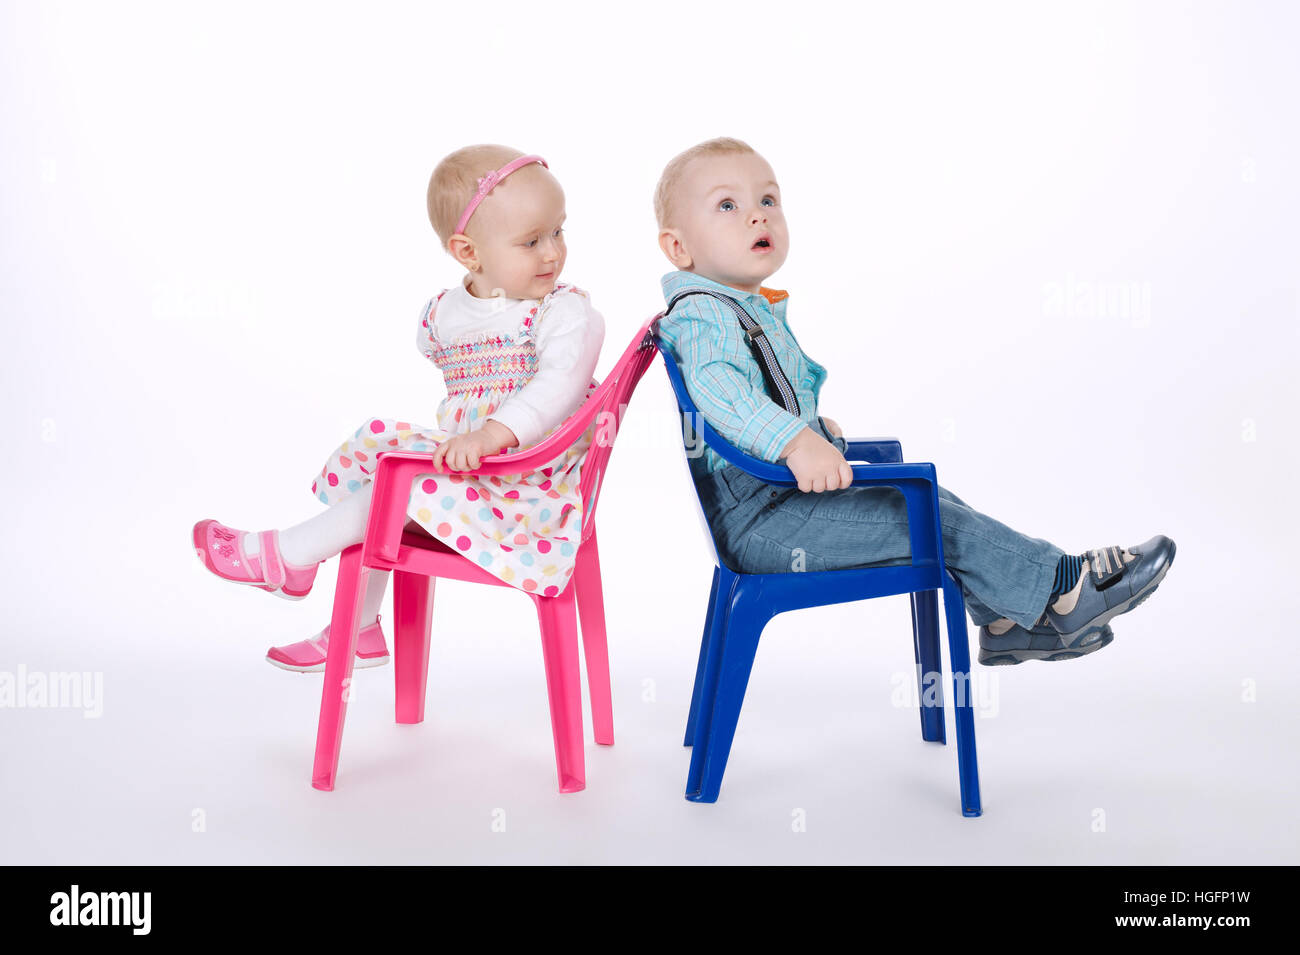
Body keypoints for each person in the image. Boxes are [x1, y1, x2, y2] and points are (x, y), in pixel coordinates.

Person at [652, 137, 1174, 665]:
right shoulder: (702, 314)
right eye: (727, 205)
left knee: (931, 500)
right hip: (767, 519)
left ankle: (1006, 621)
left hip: (781, 502)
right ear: (678, 248)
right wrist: (793, 441)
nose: (756, 218)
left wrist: (812, 429)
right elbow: (721, 392)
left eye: (768, 201)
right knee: (930, 521)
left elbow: (752, 390)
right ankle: (1064, 588)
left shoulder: (738, 306)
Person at [193, 144, 605, 671]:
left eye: (558, 232)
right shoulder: (447, 313)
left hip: (530, 488)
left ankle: (285, 555)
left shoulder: (564, 313)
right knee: (384, 449)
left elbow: (559, 390)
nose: (552, 253)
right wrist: (472, 442)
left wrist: (489, 435)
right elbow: (443, 345)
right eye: (531, 241)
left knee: (401, 482)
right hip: (476, 474)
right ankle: (359, 626)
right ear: (468, 253)